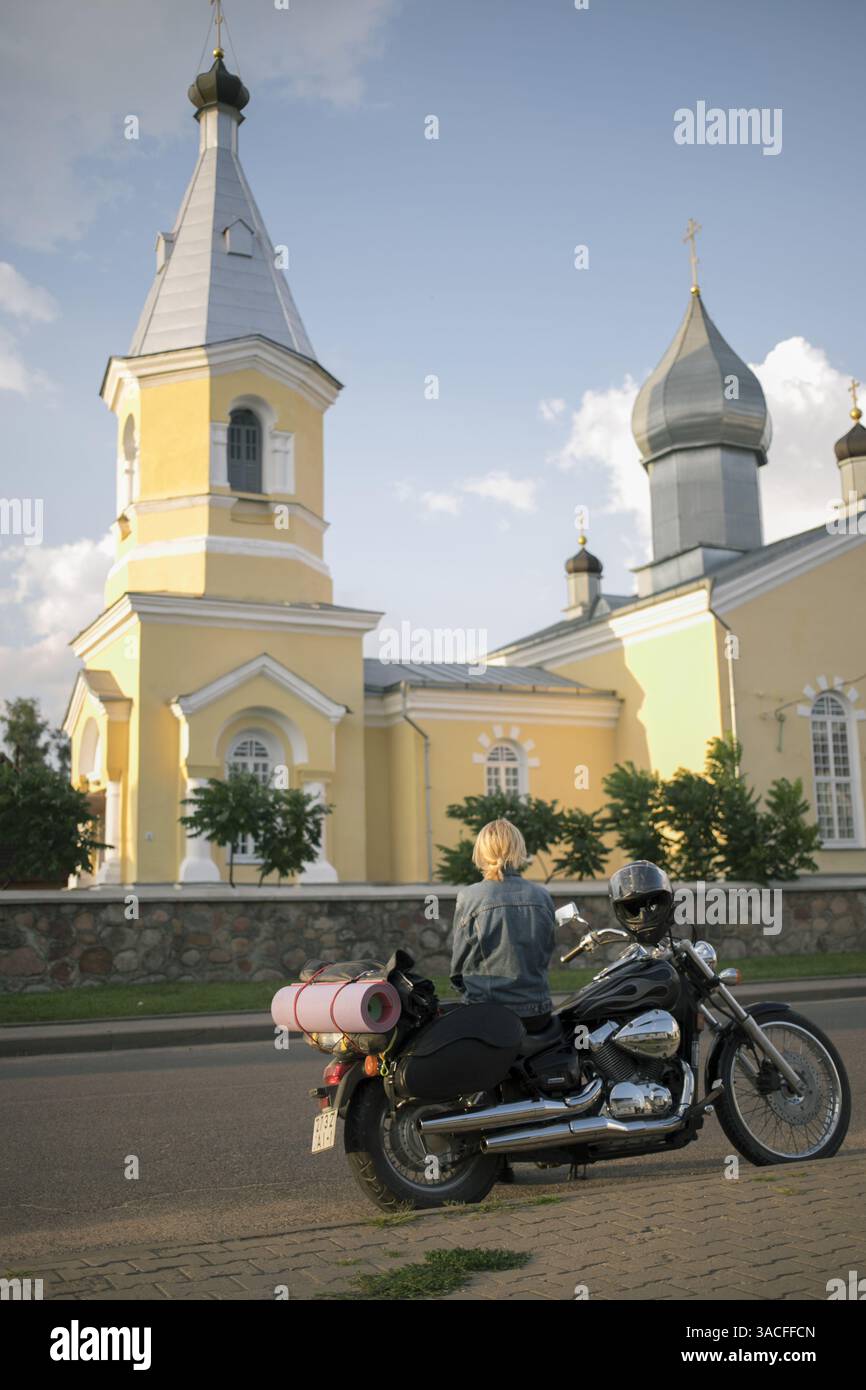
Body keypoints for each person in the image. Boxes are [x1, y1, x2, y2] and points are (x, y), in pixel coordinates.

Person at [449, 818, 556, 1032]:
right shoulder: (542, 896)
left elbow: (457, 969)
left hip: (488, 1015)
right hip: (538, 1013)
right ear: (519, 850)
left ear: (481, 852)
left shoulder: (469, 897)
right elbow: (545, 954)